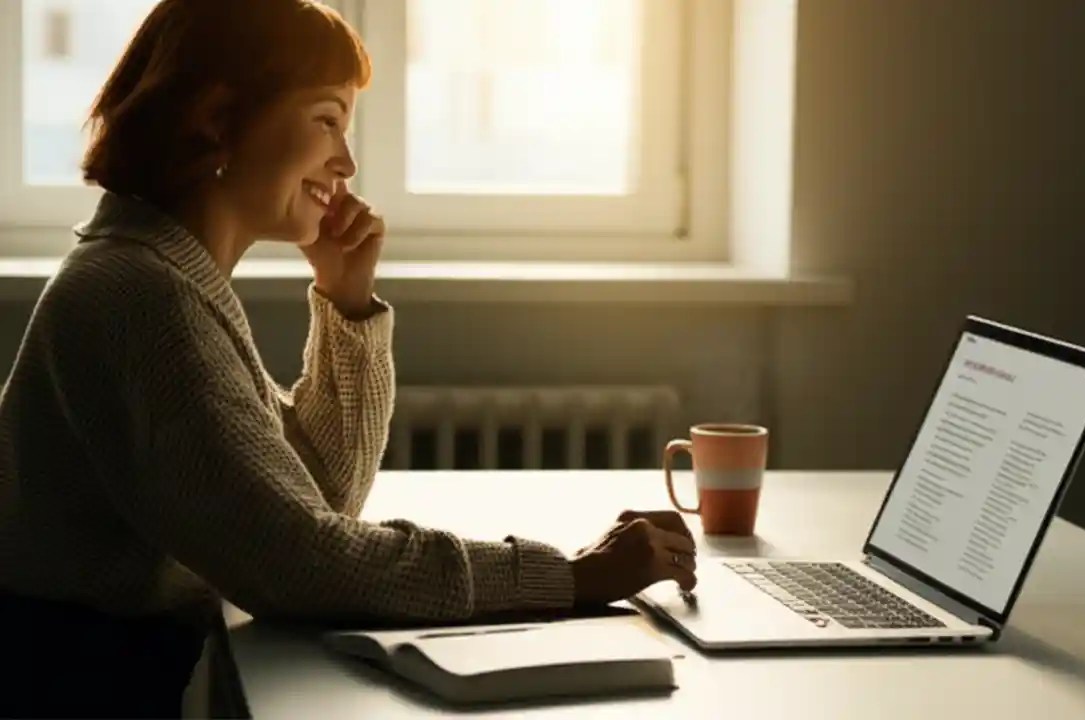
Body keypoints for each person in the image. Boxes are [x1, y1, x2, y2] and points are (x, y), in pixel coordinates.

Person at [0, 1, 697, 716]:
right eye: (327, 119)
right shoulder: (141, 298)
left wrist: (348, 304)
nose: (347, 161)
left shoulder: (158, 276)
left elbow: (317, 497)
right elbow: (305, 562)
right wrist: (570, 575)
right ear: (215, 118)